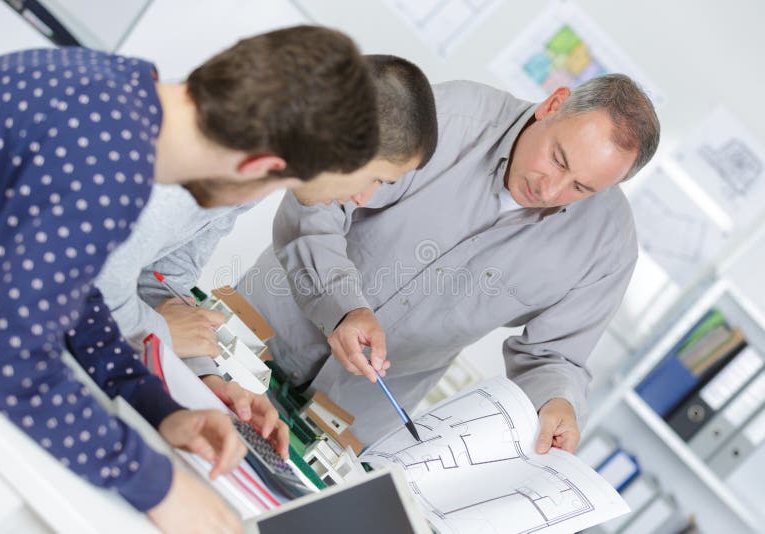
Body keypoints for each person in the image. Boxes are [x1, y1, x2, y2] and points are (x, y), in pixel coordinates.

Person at [0, 25, 378, 533]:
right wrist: (158, 483)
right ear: (260, 167)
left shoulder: (117, 96)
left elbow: (73, 296)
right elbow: (5, 359)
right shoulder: (107, 164)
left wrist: (157, 406)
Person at [237, 73, 661, 453]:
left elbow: (554, 356)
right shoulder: (451, 118)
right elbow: (318, 200)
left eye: (582, 187)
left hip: (349, 419)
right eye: (558, 160)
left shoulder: (607, 247)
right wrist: (343, 306)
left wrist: (557, 402)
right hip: (256, 334)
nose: (551, 191)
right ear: (553, 105)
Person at [93, 55, 437, 454]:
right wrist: (163, 332)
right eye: (376, 178)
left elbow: (162, 276)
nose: (364, 198)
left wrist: (208, 382)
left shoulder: (256, 172)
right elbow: (91, 286)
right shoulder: (196, 157)